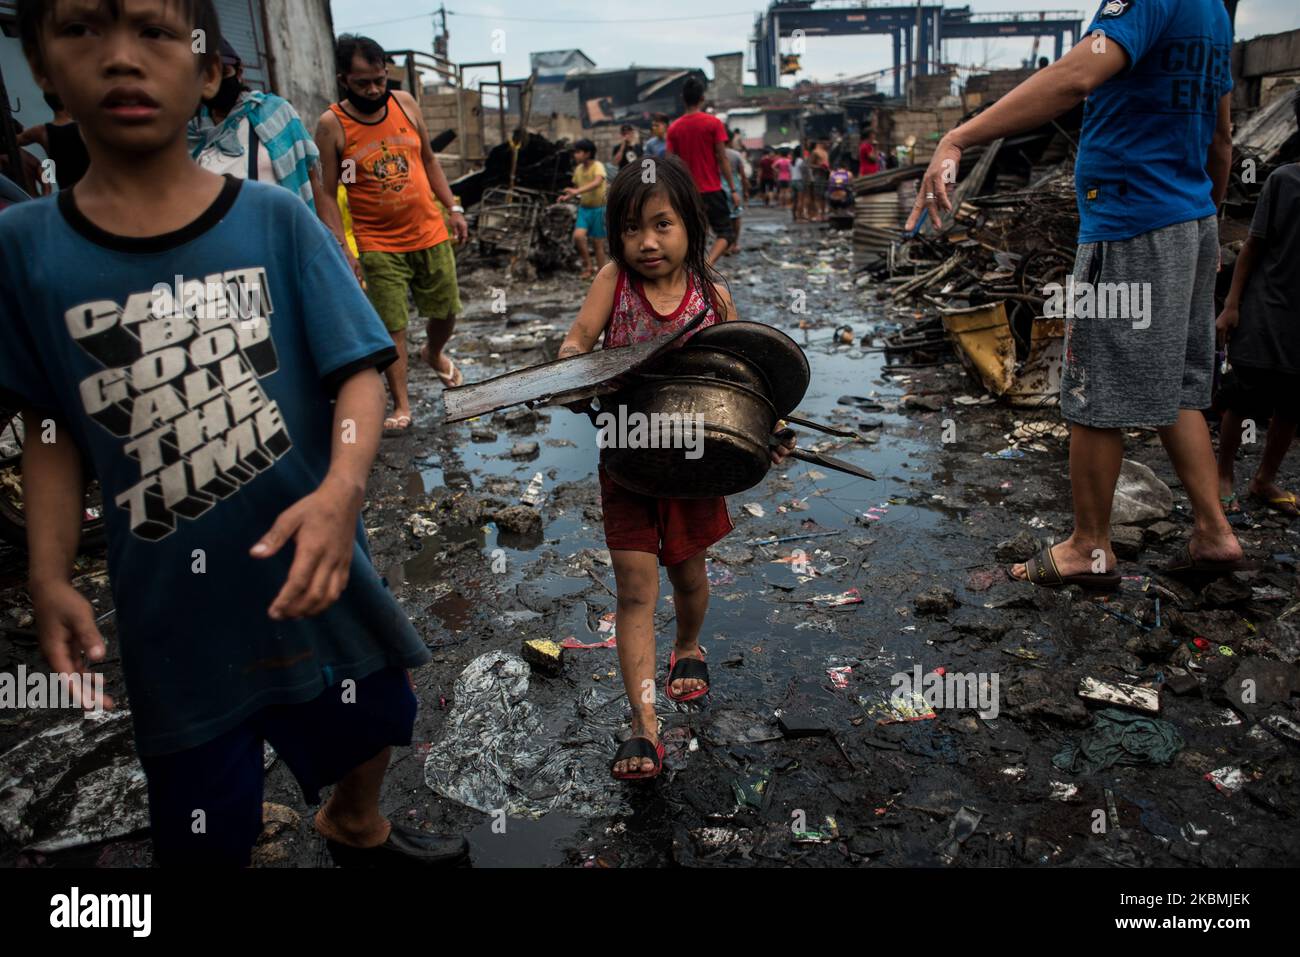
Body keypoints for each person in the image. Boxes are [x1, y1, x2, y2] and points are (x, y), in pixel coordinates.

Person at [2, 0, 467, 867]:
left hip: (318, 570)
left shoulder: (273, 222)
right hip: (177, 616)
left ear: (209, 68)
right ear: (39, 64)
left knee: (375, 718)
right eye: (81, 31)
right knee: (206, 821)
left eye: (152, 30)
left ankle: (354, 823)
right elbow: (51, 425)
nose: (120, 60)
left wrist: (341, 490)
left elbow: (360, 371)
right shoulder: (26, 250)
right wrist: (48, 571)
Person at [908, 0, 1244, 587]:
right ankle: (1214, 533)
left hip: (1129, 222)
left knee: (1092, 385)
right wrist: (1206, 227)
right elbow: (1221, 140)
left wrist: (958, 136)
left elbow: (1076, 75)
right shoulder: (1213, 11)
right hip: (1192, 222)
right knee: (1181, 387)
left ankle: (1089, 546)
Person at [556, 156, 795, 779]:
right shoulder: (614, 281)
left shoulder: (712, 294)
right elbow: (579, 338)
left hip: (698, 460)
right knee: (635, 590)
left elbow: (745, 382)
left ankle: (688, 646)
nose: (647, 242)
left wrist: (772, 428)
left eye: (662, 225)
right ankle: (644, 727)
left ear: (690, 222)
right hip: (629, 457)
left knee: (689, 577)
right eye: (632, 229)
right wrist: (572, 370)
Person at [314, 34, 469, 434]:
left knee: (446, 309)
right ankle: (402, 405)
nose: (374, 90)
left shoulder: (405, 104)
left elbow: (430, 161)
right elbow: (326, 196)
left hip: (429, 230)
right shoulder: (332, 125)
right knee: (391, 326)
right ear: (343, 79)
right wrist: (343, 249)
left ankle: (433, 353)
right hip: (378, 242)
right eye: (363, 83)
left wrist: (452, 207)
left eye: (380, 80)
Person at [1215, 101, 1300, 519]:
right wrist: (1232, 305)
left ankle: (1264, 479)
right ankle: (1224, 475)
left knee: (1291, 405)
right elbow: (1252, 246)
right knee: (1242, 397)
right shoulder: (1284, 181)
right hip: (1268, 310)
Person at [189, 40, 327, 213]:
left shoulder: (276, 113)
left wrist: (331, 233)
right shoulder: (190, 133)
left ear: (239, 72)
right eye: (206, 76)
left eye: (223, 73)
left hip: (282, 228)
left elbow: (311, 176)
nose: (215, 84)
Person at [666, 77, 736, 266]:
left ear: (683, 98)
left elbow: (670, 162)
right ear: (702, 98)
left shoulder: (674, 128)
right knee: (726, 233)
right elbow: (722, 158)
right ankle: (708, 264)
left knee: (694, 233)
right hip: (712, 188)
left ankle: (694, 267)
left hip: (687, 192)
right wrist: (734, 189)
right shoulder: (713, 123)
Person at [17, 90, 90, 189]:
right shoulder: (85, 128)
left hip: (66, 193)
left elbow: (11, 141)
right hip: (91, 190)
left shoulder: (41, 132)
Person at [559, 138, 608, 278]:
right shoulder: (578, 170)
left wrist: (577, 191)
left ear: (587, 153)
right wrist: (567, 197)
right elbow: (575, 190)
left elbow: (598, 182)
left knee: (598, 243)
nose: (575, 155)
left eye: (578, 152)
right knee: (578, 236)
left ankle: (602, 273)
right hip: (584, 209)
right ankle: (588, 266)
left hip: (599, 209)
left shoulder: (597, 166)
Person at [721, 141, 747, 253]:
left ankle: (726, 245)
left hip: (718, 187)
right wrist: (746, 190)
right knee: (736, 216)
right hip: (735, 188)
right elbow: (743, 175)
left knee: (723, 216)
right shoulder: (735, 154)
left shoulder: (714, 154)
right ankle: (735, 244)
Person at [809, 139, 829, 220]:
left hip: (826, 175)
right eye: (826, 142)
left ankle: (823, 214)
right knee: (818, 195)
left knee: (824, 196)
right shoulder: (815, 152)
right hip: (818, 175)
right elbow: (810, 164)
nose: (827, 143)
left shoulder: (825, 152)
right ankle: (819, 214)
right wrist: (819, 167)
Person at [790, 146, 806, 221]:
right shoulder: (801, 161)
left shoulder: (791, 161)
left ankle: (794, 216)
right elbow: (803, 172)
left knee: (794, 200)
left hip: (792, 181)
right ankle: (799, 216)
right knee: (800, 200)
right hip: (799, 181)